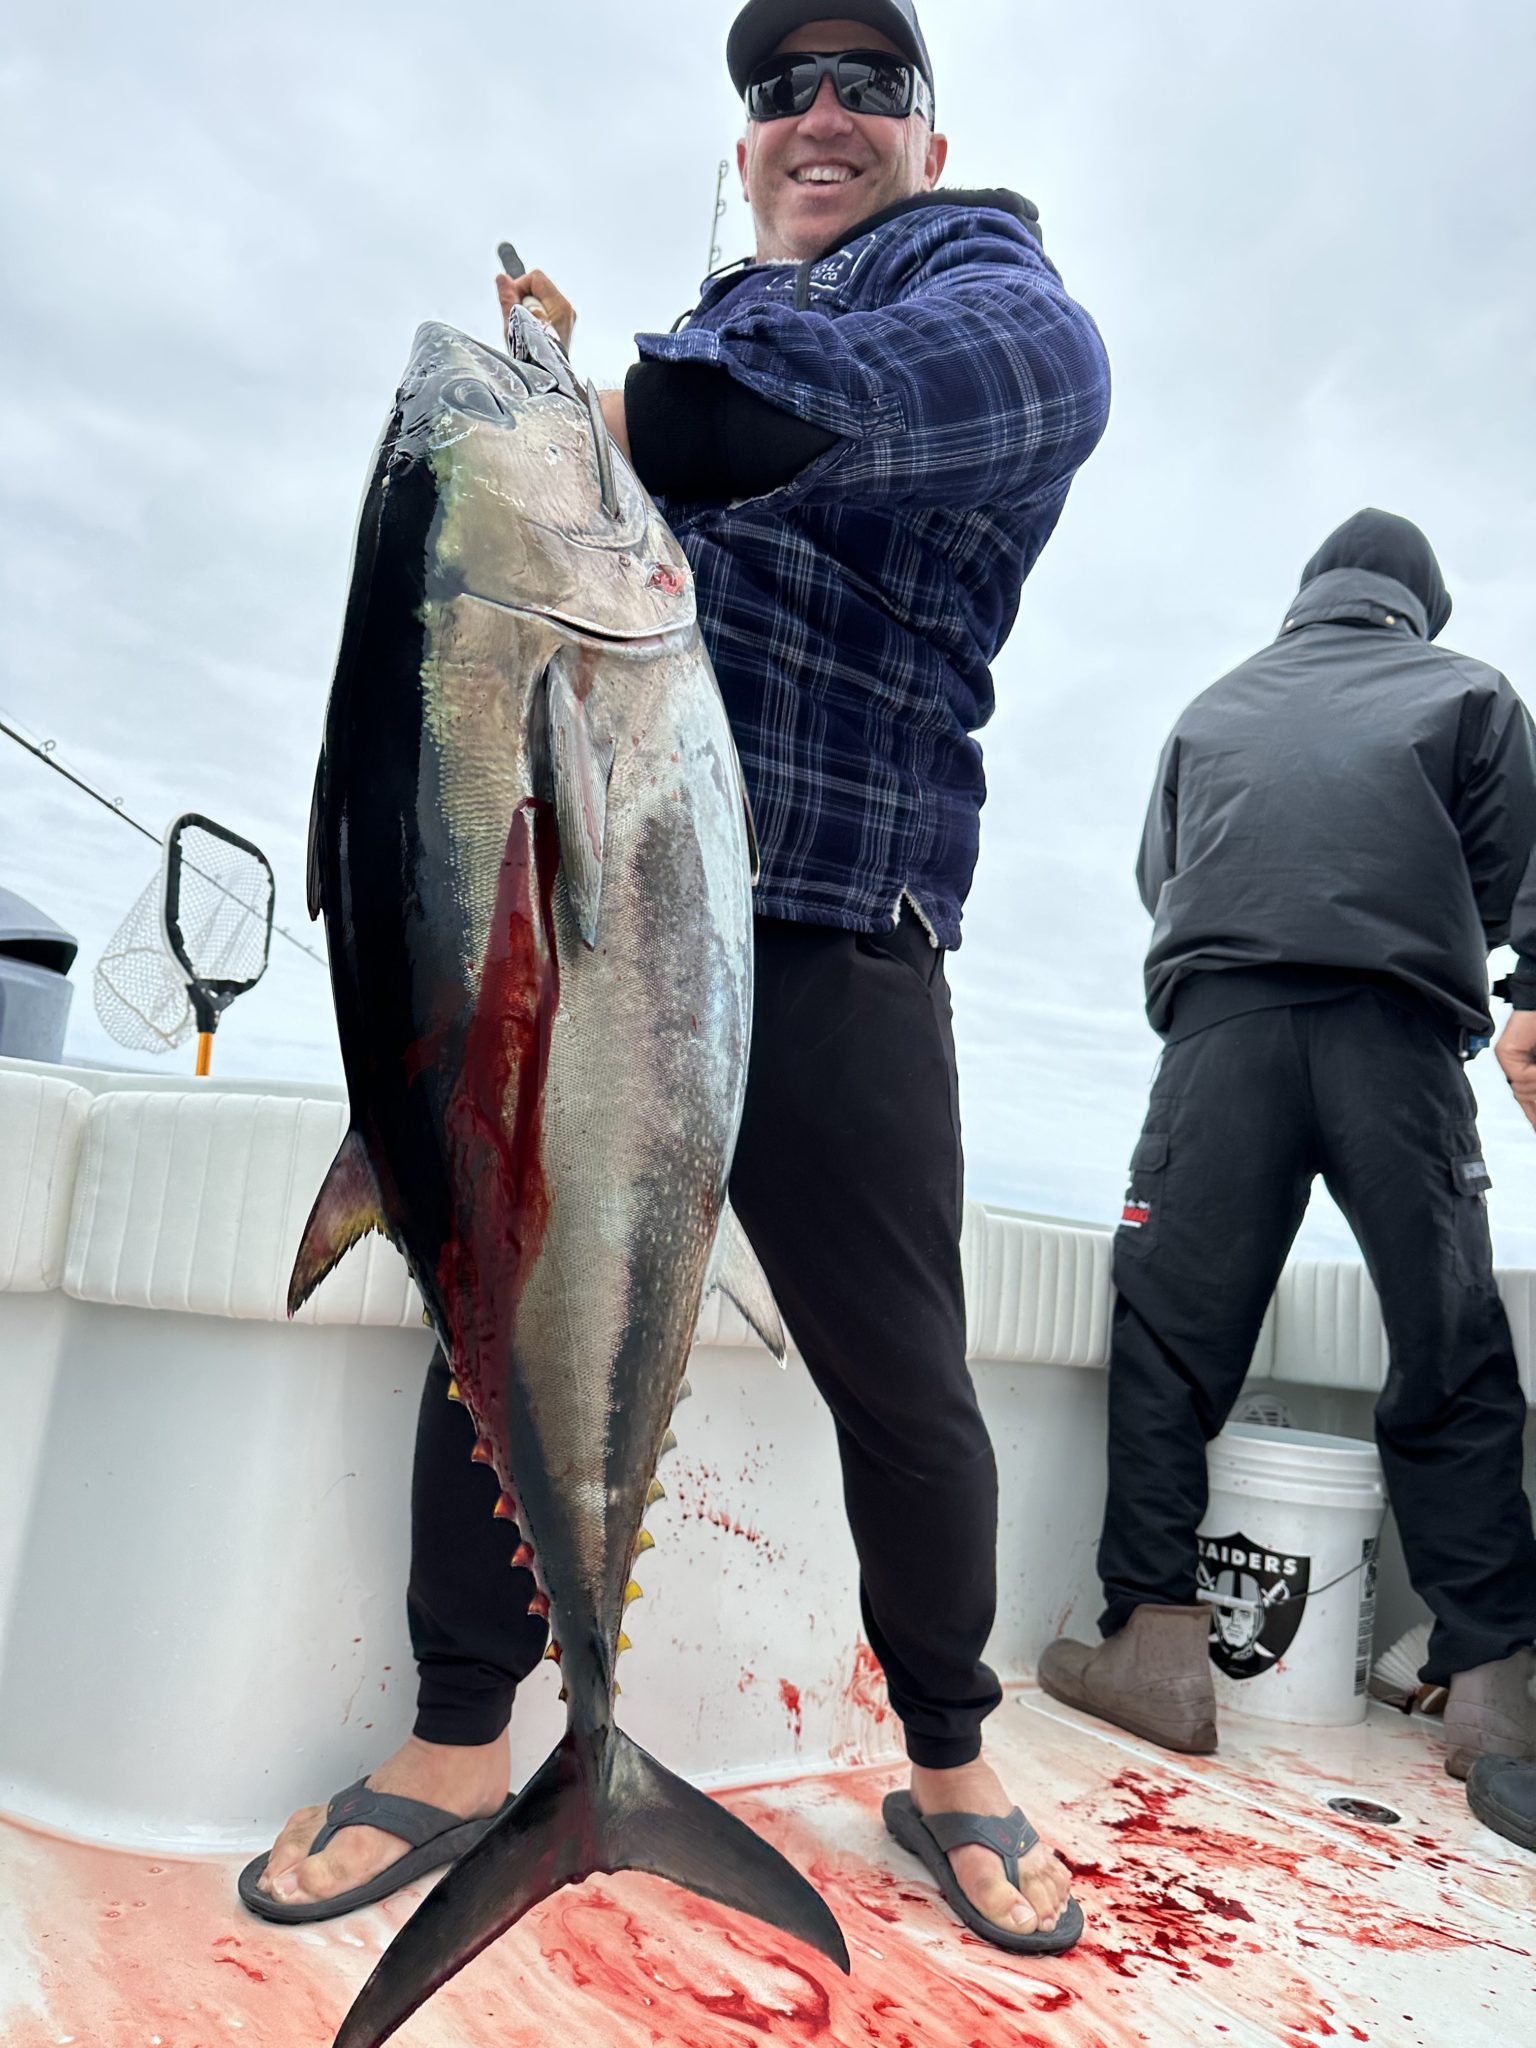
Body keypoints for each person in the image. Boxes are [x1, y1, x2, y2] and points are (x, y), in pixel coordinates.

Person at [242, 0, 1110, 1953]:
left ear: (933, 138)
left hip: (837, 928)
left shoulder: (1002, 302)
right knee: (488, 1279)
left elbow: (825, 404)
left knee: (904, 1376)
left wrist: (575, 413)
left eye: (871, 85)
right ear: (742, 144)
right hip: (615, 918)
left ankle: (951, 1756)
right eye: (781, 89)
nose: (823, 112)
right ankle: (467, 1740)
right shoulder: (701, 347)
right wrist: (574, 399)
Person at [1040, 511, 1536, 1778]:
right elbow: (1508, 879)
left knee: (1168, 1337)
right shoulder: (1473, 693)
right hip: (1400, 1038)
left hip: (1224, 1034)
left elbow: (1164, 878)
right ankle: (1493, 1685)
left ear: (1310, 593)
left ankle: (1154, 1645)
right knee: (1450, 1340)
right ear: (1420, 609)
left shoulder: (1209, 711)